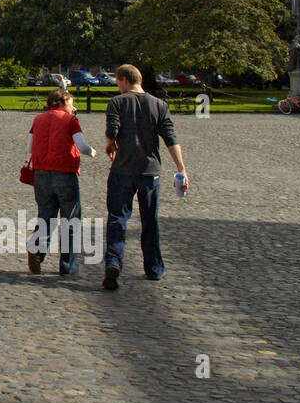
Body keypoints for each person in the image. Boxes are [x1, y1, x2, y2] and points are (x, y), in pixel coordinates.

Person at [102, 64, 191, 290]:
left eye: (117, 82)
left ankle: (113, 263)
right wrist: (181, 168)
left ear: (123, 79)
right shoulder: (159, 105)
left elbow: (112, 130)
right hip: (150, 171)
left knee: (117, 218)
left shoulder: (117, 102)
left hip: (123, 169)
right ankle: (153, 268)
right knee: (150, 220)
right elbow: (171, 138)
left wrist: (110, 144)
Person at [25, 88, 98, 275]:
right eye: (72, 104)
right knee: (70, 220)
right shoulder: (70, 120)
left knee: (45, 217)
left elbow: (29, 147)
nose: (74, 108)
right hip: (64, 173)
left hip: (41, 175)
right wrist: (92, 151)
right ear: (64, 102)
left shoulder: (38, 120)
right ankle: (68, 265)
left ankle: (37, 250)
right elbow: (81, 146)